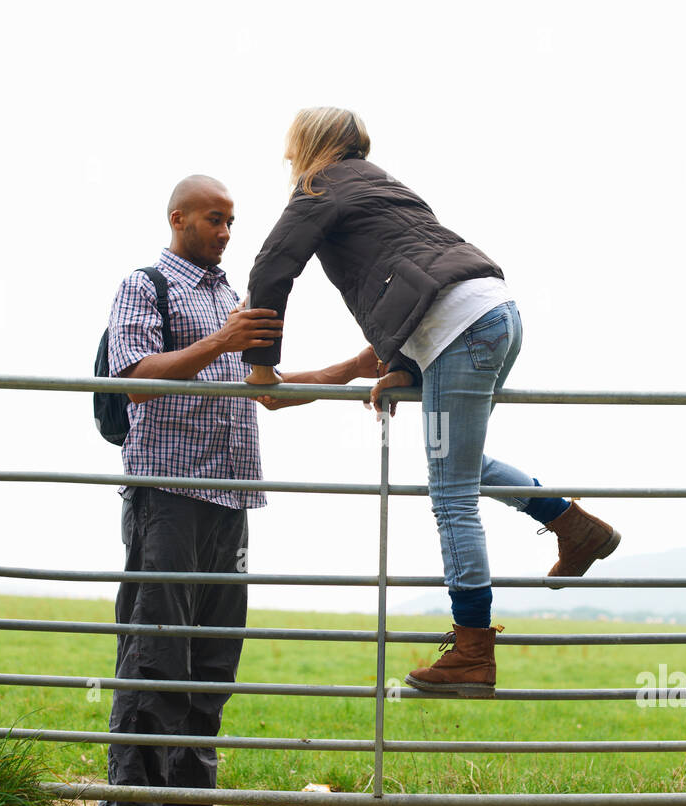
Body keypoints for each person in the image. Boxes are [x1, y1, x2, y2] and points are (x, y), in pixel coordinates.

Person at [246, 108, 621, 700]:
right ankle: (573, 525)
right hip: (493, 314)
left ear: (307, 147)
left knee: (450, 494)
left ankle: (472, 649)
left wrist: (261, 370)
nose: (290, 164)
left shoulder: (318, 188)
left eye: (291, 151)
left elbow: (271, 270)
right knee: (460, 468)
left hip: (460, 331)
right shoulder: (387, 185)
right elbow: (414, 273)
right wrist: (402, 363)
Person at [94, 174, 381, 806]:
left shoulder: (230, 296)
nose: (226, 232)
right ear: (178, 218)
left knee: (212, 663)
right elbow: (130, 378)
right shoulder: (144, 286)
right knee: (155, 657)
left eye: (231, 221)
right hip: (167, 494)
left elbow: (267, 394)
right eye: (214, 219)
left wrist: (351, 369)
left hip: (232, 499)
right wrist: (220, 343)